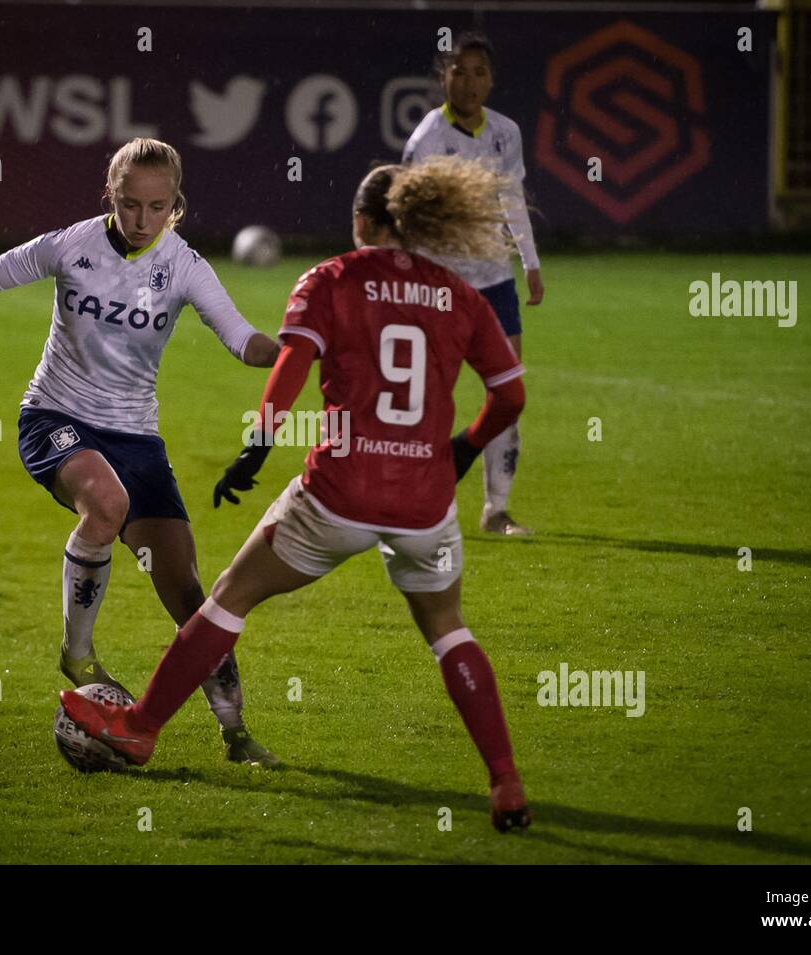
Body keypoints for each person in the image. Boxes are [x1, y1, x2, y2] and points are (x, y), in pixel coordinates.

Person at [61, 157, 532, 833]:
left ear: (363, 222)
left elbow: (291, 368)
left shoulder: (332, 279)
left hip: (338, 495)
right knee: (448, 628)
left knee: (229, 597)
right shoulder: (459, 294)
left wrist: (257, 445)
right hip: (425, 504)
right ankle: (507, 782)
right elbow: (510, 395)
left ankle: (138, 727)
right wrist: (461, 448)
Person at [0, 138, 283, 767]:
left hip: (137, 436)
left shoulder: (187, 267)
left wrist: (295, 349)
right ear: (109, 195)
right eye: (128, 204)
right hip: (55, 417)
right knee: (107, 503)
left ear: (176, 204)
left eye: (157, 206)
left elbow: (242, 340)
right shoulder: (74, 244)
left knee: (192, 599)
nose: (141, 220)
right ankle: (79, 652)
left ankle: (236, 735)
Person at [403, 30, 543, 536]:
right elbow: (409, 216)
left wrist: (529, 261)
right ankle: (423, 503)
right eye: (458, 71)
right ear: (443, 77)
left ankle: (496, 509)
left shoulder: (506, 132)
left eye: (478, 71)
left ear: (491, 79)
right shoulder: (426, 139)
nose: (468, 81)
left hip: (495, 283)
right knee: (431, 396)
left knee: (507, 391)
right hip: (440, 285)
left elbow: (512, 199)